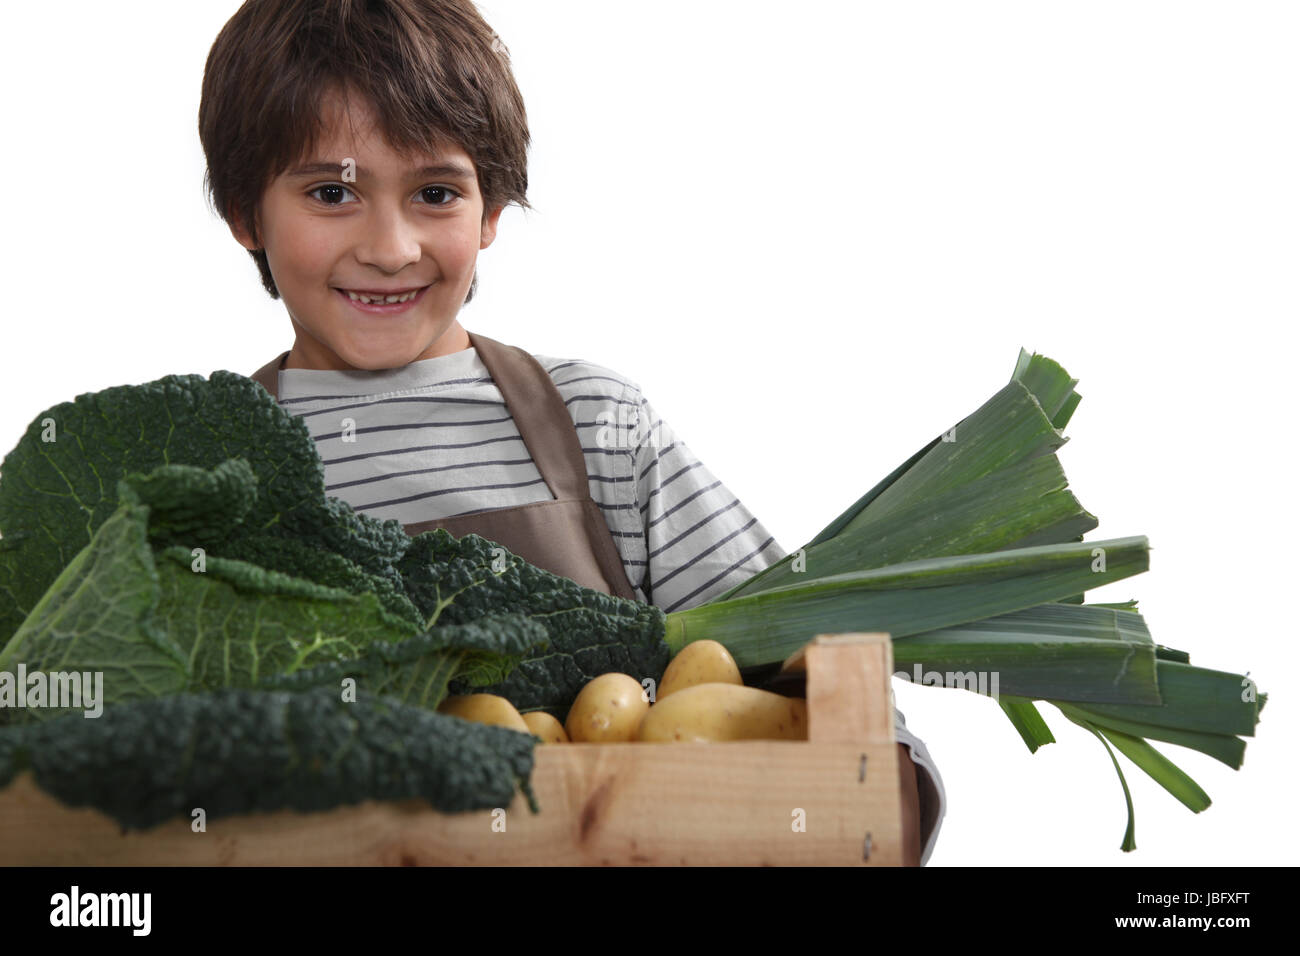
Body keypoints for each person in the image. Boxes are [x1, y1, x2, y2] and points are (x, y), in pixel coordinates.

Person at [198, 0, 944, 865]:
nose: (392, 246)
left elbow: (825, 687)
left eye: (435, 193)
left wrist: (867, 793)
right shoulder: (197, 479)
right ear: (244, 211)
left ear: (491, 213)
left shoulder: (597, 427)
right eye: (332, 193)